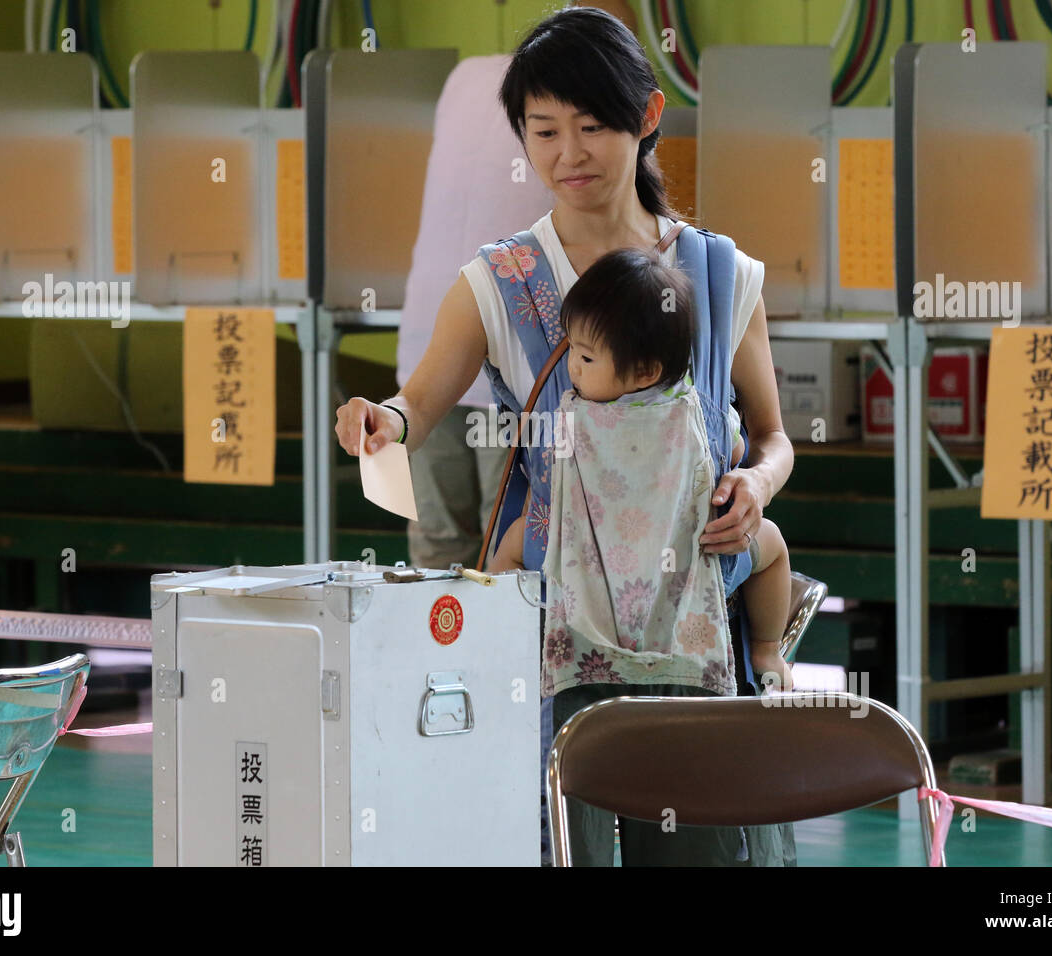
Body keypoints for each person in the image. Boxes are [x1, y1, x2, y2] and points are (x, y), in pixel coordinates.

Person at [335, 6, 796, 866]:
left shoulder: (720, 272)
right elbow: (420, 404)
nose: (567, 155)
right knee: (559, 850)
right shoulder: (498, 280)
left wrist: (757, 488)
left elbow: (773, 439)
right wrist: (381, 422)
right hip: (554, 648)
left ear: (647, 117)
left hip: (694, 641)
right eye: (543, 130)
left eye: (591, 127)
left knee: (700, 851)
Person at [488, 247, 794, 694]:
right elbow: (732, 444)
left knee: (514, 543)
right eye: (573, 349)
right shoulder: (695, 409)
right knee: (773, 546)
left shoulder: (575, 415)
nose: (572, 366)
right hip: (689, 564)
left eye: (586, 358)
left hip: (590, 578)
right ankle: (768, 648)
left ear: (647, 369)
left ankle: (497, 641)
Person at [397, 54, 554, 570]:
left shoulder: (465, 77)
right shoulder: (569, 93)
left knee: (445, 540)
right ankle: (485, 650)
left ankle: (443, 649)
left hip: (446, 346)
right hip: (496, 355)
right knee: (503, 540)